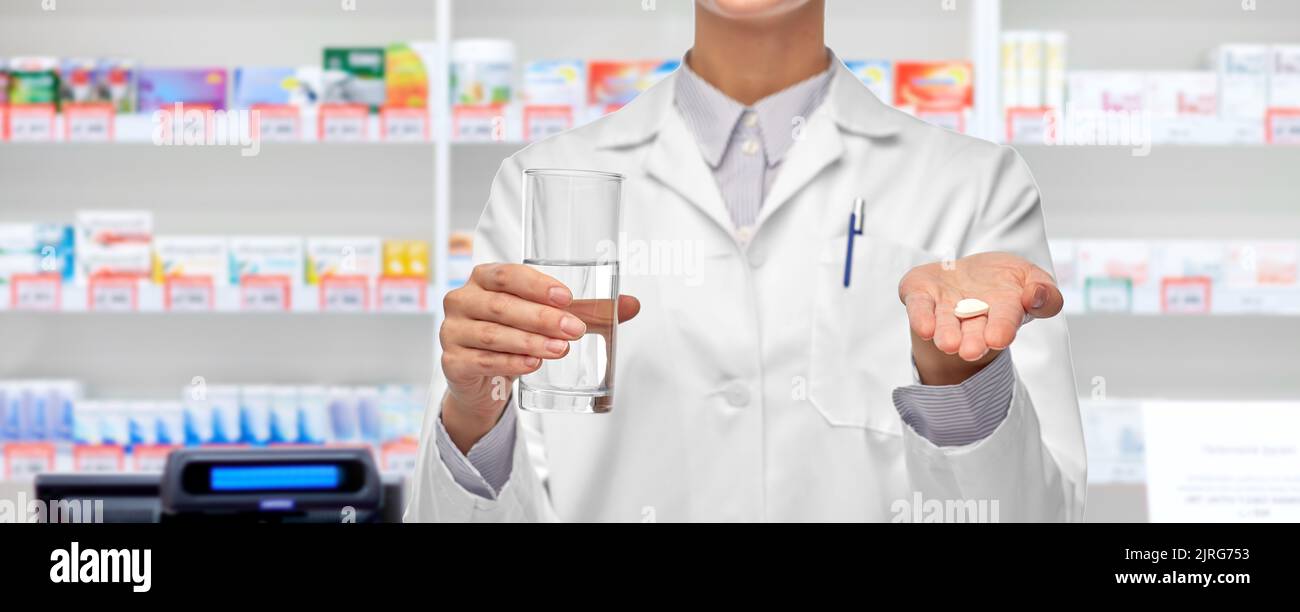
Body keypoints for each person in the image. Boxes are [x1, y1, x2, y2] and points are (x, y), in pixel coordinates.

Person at [405, 0, 1085, 522]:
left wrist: (960, 377)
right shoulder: (541, 180)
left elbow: (1038, 514)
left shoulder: (972, 184)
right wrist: (475, 416)